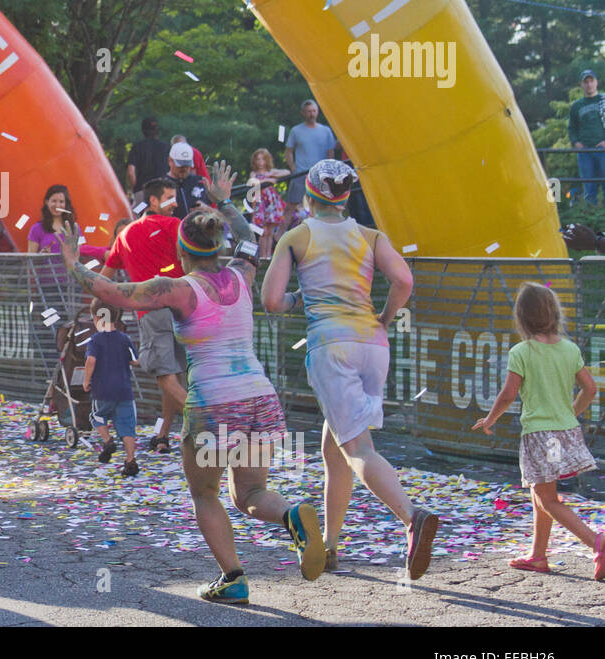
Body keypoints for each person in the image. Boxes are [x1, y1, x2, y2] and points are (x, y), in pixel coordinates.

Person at [62, 163, 326, 604]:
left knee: (205, 493)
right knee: (252, 492)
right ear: (216, 246)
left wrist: (72, 260)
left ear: (182, 251)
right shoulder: (243, 274)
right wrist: (223, 201)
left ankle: (234, 576)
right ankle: (292, 516)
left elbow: (114, 294)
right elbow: (254, 237)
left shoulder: (179, 288)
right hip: (259, 398)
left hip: (215, 404)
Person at [261, 159, 438, 579]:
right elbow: (404, 281)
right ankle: (332, 547)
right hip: (373, 346)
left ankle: (412, 518)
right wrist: (385, 317)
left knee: (357, 448)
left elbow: (271, 299)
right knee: (334, 448)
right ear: (344, 197)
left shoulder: (297, 236)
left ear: (310, 194)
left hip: (331, 346)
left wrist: (297, 302)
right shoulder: (370, 236)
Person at [473, 283, 603, 579]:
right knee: (542, 493)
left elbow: (508, 394)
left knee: (547, 498)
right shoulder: (569, 348)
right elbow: (590, 389)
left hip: (540, 437)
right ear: (555, 314)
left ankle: (597, 542)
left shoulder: (522, 352)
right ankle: (538, 555)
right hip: (563, 434)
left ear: (522, 317)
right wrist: (569, 413)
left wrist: (490, 420)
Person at [103, 178, 187, 453]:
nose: (175, 203)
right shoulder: (175, 226)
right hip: (185, 308)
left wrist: (101, 306)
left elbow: (104, 280)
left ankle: (204, 423)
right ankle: (164, 435)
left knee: (167, 376)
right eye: (170, 197)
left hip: (151, 312)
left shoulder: (124, 235)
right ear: (153, 200)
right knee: (175, 376)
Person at [83, 302, 140, 477]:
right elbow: (135, 361)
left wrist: (86, 381)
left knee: (97, 416)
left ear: (97, 318)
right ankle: (130, 460)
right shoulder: (125, 339)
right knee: (127, 426)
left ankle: (108, 441)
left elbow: (91, 361)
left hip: (103, 390)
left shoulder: (95, 340)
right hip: (124, 390)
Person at [281, 100, 338, 230]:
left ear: (317, 112)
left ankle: (323, 231)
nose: (311, 114)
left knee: (323, 205)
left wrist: (330, 172)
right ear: (303, 113)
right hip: (301, 173)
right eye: (308, 111)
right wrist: (293, 168)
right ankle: (279, 235)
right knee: (291, 205)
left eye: (314, 111)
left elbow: (331, 152)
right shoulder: (296, 131)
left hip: (320, 176)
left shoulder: (326, 131)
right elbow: (288, 151)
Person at [569, 69, 605, 204]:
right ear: (581, 85)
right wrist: (576, 143)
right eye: (586, 82)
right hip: (585, 151)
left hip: (603, 150)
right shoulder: (576, 106)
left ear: (596, 82)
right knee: (589, 188)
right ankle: (590, 216)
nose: (589, 84)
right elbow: (572, 128)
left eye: (591, 81)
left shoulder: (603, 100)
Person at [247, 148, 286, 258]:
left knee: (270, 231)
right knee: (262, 232)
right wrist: (268, 181)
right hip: (260, 202)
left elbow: (287, 172)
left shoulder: (271, 172)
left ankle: (268, 256)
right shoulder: (254, 173)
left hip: (271, 202)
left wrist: (273, 175)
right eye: (258, 159)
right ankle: (261, 255)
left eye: (263, 159)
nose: (260, 162)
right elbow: (254, 183)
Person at [126, 118, 170, 203]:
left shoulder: (137, 147)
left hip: (142, 193)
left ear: (143, 131)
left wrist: (135, 188)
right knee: (162, 216)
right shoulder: (166, 147)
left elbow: (131, 172)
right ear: (158, 131)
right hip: (163, 192)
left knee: (138, 213)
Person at [167, 143, 213, 221]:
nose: (184, 169)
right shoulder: (160, 184)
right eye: (180, 165)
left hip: (197, 229)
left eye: (187, 165)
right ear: (170, 161)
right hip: (171, 229)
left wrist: (206, 209)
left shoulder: (200, 181)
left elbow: (212, 208)